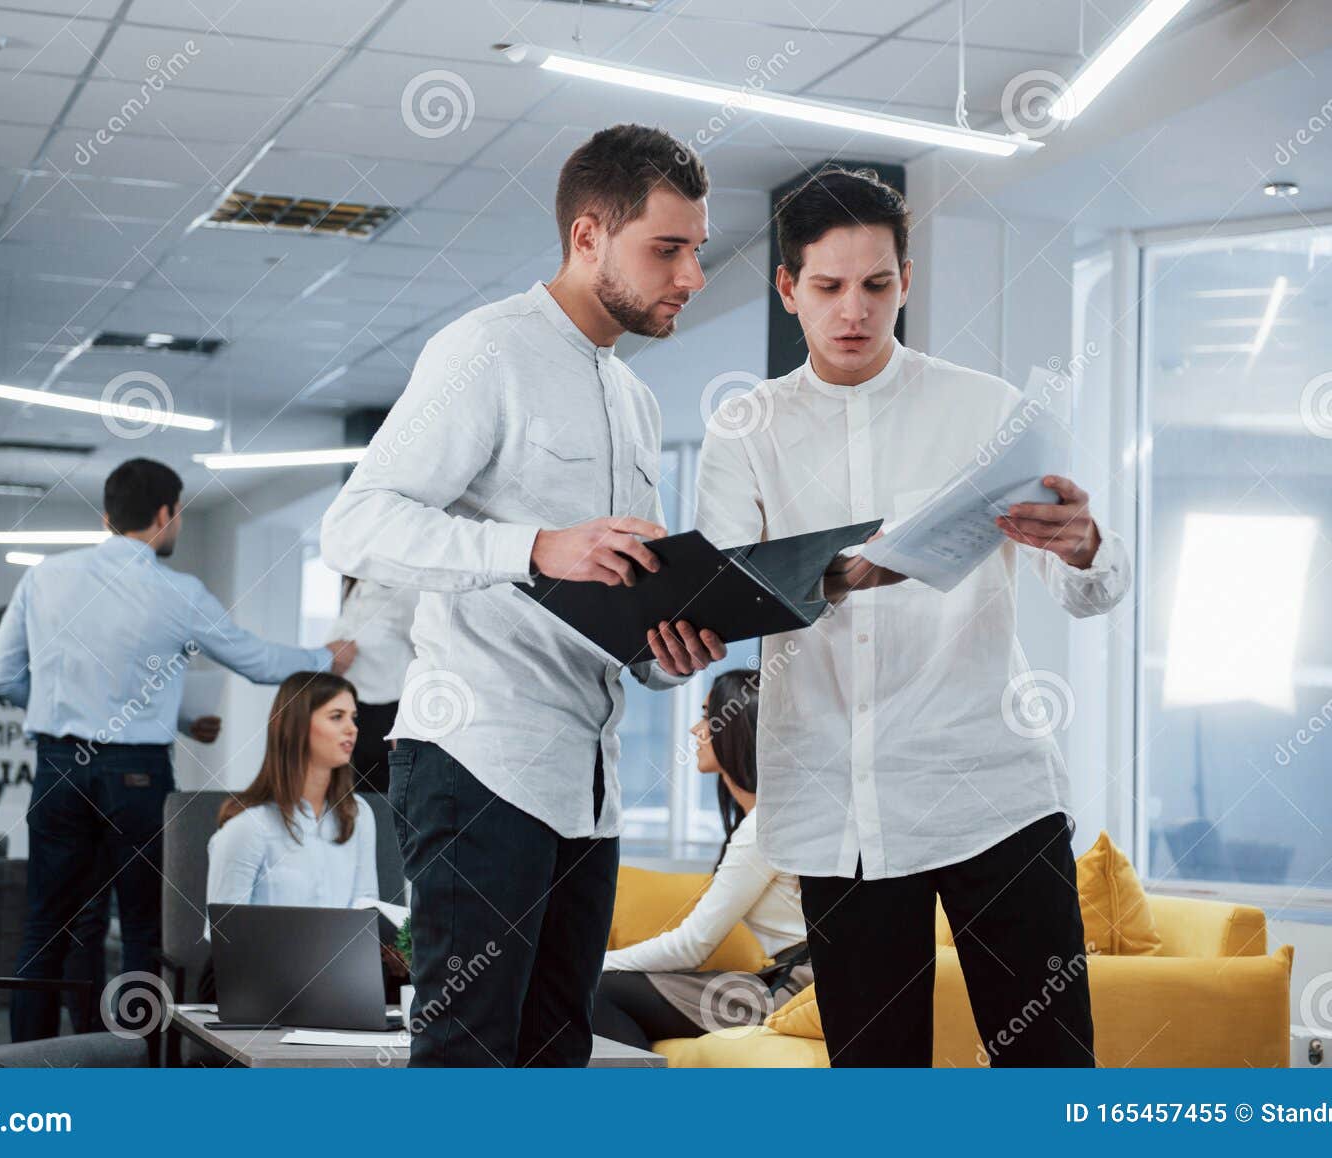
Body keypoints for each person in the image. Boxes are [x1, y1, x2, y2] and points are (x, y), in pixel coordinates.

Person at [695, 168, 1133, 1067]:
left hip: (991, 789)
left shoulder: (989, 411)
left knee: (1049, 1069)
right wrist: (839, 576)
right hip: (833, 802)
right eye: (827, 288)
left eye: (877, 285)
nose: (854, 311)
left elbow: (1088, 594)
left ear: (906, 280)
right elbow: (725, 594)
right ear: (788, 289)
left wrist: (1085, 545)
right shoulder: (746, 428)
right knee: (878, 1085)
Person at [320, 123, 727, 1067]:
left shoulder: (635, 400)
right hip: (479, 758)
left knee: (554, 1056)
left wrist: (665, 647)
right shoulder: (485, 351)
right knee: (470, 1056)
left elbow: (612, 593)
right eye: (666, 249)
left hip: (589, 784)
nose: (691, 276)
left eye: (697, 250)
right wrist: (537, 546)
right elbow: (358, 525)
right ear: (589, 237)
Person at [0, 458, 350, 1042]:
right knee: (141, 931)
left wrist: (65, 716)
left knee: (46, 928)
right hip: (136, 778)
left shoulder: (44, 578)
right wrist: (324, 659)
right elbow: (254, 662)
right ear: (165, 513)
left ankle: (30, 1067)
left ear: (107, 516)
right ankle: (134, 1067)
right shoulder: (177, 592)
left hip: (57, 771)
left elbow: (2, 678)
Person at [593, 669, 809, 1051]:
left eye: (708, 716)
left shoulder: (765, 826)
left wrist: (593, 963)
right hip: (786, 980)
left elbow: (692, 946)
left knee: (594, 992)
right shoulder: (777, 817)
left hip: (792, 990)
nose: (696, 729)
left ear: (736, 729)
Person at [206, 670, 378, 914]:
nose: (352, 728)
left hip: (344, 952)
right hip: (267, 953)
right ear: (297, 725)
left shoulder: (358, 813)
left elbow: (367, 911)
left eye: (353, 717)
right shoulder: (247, 828)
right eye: (336, 717)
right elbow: (220, 935)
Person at [329, 577, 419, 794]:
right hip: (354, 709)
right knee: (353, 796)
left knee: (390, 797)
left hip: (390, 713)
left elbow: (426, 649)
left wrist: (409, 721)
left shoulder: (405, 588)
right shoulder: (355, 584)